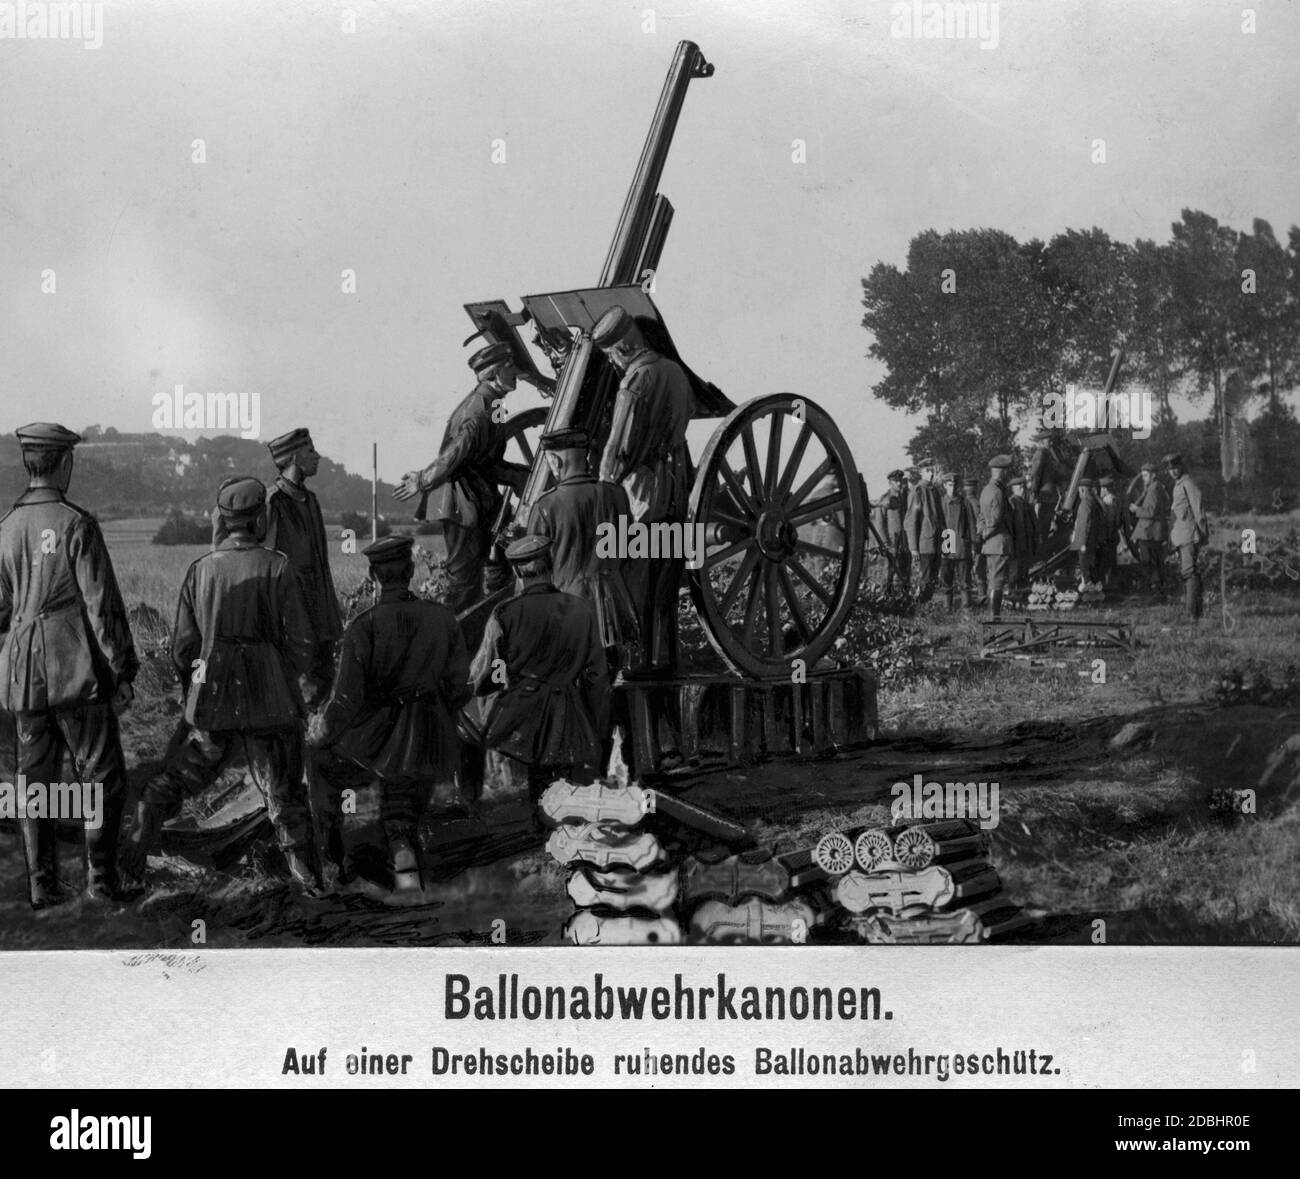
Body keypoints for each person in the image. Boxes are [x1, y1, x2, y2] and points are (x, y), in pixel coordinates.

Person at [123, 477, 320, 892]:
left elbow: (183, 648)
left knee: (178, 779)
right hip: (271, 699)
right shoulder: (279, 567)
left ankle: (130, 864)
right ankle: (311, 885)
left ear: (224, 520)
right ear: (261, 518)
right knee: (285, 795)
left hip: (213, 697)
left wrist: (195, 686)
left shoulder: (200, 571)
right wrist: (279, 674)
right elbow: (302, 643)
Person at [0, 424, 138, 906]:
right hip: (76, 673)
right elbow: (102, 608)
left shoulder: (5, 527)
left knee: (33, 782)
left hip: (23, 679)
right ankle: (101, 882)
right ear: (64, 463)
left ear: (27, 465)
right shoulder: (77, 524)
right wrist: (121, 670)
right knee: (102, 776)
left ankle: (41, 885)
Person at [306, 536, 470, 894]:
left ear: (372, 574)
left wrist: (319, 731)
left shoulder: (362, 628)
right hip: (432, 738)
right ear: (411, 571)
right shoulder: (442, 619)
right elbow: (460, 688)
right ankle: (405, 854)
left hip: (383, 740)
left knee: (319, 759)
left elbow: (345, 703)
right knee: (402, 801)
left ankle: (334, 861)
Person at [466, 536, 609, 809]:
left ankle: (542, 827)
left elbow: (488, 674)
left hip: (523, 718)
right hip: (569, 711)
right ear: (551, 564)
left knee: (535, 786)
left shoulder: (505, 613)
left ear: (518, 572)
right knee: (571, 785)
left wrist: (484, 685)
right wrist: (596, 722)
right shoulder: (581, 609)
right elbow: (596, 677)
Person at [594, 305, 693, 671]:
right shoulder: (675, 372)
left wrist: (603, 485)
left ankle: (636, 666)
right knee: (665, 589)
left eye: (611, 357)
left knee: (634, 583)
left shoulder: (635, 383)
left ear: (621, 349)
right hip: (677, 495)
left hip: (642, 503)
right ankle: (666, 661)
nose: (614, 365)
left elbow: (620, 448)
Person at [392, 341, 521, 612]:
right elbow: (455, 454)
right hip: (460, 505)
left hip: (477, 497)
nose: (516, 372)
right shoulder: (479, 410)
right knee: (463, 582)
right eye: (510, 367)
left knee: (500, 560)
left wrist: (523, 476)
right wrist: (423, 480)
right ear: (496, 373)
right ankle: (453, 636)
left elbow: (489, 462)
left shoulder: (494, 403)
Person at [214, 428, 342, 698]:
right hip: (292, 613)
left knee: (323, 681)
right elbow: (265, 563)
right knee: (300, 688)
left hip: (320, 609)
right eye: (310, 451)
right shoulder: (273, 502)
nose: (317, 457)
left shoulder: (312, 500)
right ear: (294, 457)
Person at [526, 426, 639, 673]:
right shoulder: (616, 495)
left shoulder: (547, 505)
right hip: (615, 613)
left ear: (555, 460)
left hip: (569, 613)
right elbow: (630, 552)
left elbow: (534, 572)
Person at [1166, 452, 1208, 620]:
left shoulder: (1188, 484)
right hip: (1180, 537)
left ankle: (1193, 615)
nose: (1173, 472)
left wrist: (1202, 536)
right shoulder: (1178, 485)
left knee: (1189, 573)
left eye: (1175, 467)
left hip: (1189, 536)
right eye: (1170, 469)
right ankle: (1195, 612)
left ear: (1181, 466)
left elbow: (1199, 511)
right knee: (1189, 573)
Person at [978, 455, 1014, 618]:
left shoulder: (986, 490)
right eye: (1005, 471)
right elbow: (996, 519)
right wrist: (986, 533)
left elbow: (981, 517)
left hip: (990, 545)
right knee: (997, 581)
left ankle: (991, 616)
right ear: (1001, 472)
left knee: (992, 578)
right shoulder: (998, 492)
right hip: (999, 543)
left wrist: (981, 533)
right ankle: (994, 617)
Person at [1129, 461, 1170, 601]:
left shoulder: (1153, 489)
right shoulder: (1157, 488)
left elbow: (1151, 512)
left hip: (1149, 532)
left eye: (1146, 475)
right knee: (1156, 562)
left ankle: (1155, 593)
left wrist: (1136, 510)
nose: (1144, 478)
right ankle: (1159, 591)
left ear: (1153, 475)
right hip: (1154, 532)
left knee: (1149, 563)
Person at [906, 458, 944, 603]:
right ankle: (919, 608)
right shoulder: (918, 491)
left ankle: (926, 607)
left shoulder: (934, 491)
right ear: (922, 472)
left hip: (937, 543)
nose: (932, 474)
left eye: (933, 470)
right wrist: (914, 548)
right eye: (928, 471)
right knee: (925, 578)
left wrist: (947, 545)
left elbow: (942, 520)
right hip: (925, 544)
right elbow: (911, 521)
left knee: (933, 578)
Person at [938, 472, 971, 611]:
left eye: (955, 485)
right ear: (945, 486)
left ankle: (966, 607)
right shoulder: (940, 503)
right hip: (947, 542)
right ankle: (947, 607)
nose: (952, 488)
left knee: (964, 579)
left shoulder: (964, 502)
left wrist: (970, 542)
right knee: (946, 578)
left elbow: (970, 523)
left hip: (962, 543)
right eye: (950, 485)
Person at [1007, 474, 1037, 599]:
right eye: (1019, 487)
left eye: (1023, 487)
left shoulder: (1026, 504)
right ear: (1013, 489)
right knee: (1015, 572)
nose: (1022, 489)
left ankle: (1023, 595)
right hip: (1016, 544)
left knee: (1024, 571)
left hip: (1026, 544)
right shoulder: (1012, 502)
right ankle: (1013, 595)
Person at [881, 468, 910, 593]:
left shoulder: (904, 498)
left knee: (906, 568)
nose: (898, 483)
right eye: (895, 481)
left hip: (904, 539)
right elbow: (880, 524)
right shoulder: (885, 499)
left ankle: (905, 596)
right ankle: (885, 596)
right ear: (890, 483)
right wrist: (886, 543)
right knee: (890, 570)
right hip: (892, 541)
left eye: (899, 481)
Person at [1071, 477, 1102, 587]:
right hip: (1092, 542)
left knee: (1085, 570)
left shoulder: (1084, 503)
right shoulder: (1094, 502)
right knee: (1092, 569)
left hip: (1085, 543)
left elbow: (1085, 525)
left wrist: (1082, 543)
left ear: (1083, 490)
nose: (1079, 493)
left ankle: (1090, 598)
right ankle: (1094, 596)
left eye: (1080, 490)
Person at [1096, 475, 1123, 593]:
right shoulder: (1113, 499)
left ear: (1105, 489)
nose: (1100, 491)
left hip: (1109, 537)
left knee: (1107, 562)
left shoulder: (1109, 501)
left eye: (1101, 488)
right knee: (1110, 561)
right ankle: (1111, 585)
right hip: (1112, 536)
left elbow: (1111, 521)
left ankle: (1110, 587)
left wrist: (1105, 536)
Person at [961, 475, 985, 605]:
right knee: (978, 569)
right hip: (975, 540)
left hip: (972, 540)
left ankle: (981, 596)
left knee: (975, 569)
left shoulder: (968, 503)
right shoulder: (976, 502)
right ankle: (980, 595)